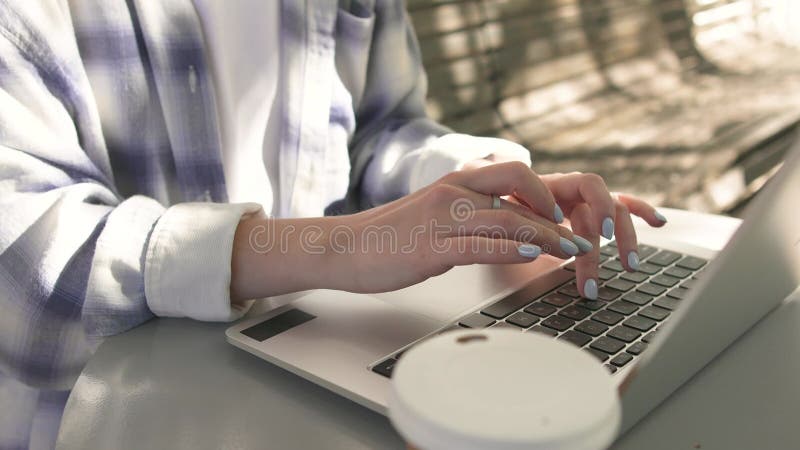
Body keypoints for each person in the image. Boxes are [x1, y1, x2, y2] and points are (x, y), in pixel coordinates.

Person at [0, 1, 666, 448]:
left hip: (326, 375)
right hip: (118, 423)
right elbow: (27, 290)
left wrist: (472, 187)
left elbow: (379, 129)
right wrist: (342, 245)